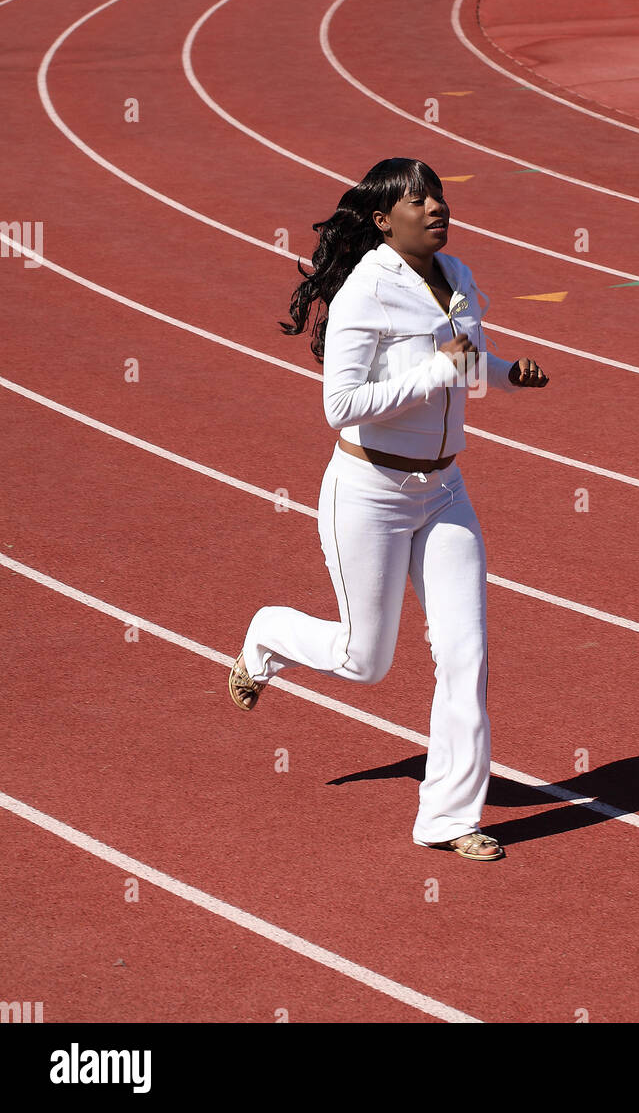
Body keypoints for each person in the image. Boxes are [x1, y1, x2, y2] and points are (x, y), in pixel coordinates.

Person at [230, 158, 549, 860]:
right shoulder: (364, 293)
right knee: (363, 660)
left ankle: (447, 816)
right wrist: (439, 369)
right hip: (368, 493)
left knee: (466, 652)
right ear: (382, 220)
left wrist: (505, 375)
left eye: (437, 194)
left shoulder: (456, 275)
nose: (435, 206)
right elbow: (339, 407)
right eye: (417, 199)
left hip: (443, 492)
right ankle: (269, 635)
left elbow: (469, 364)